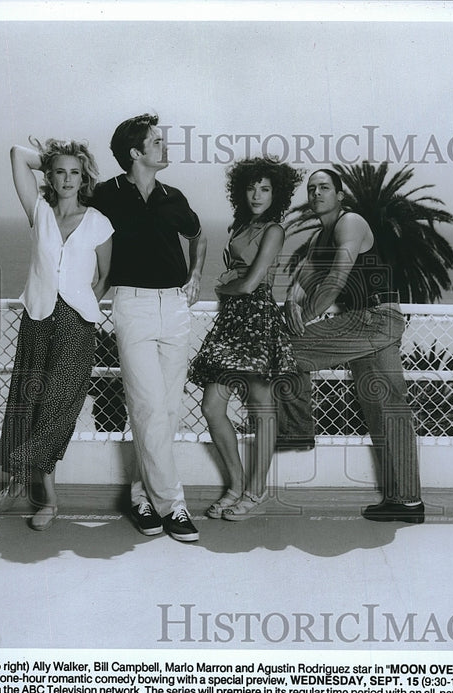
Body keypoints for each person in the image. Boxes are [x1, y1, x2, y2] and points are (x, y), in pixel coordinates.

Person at [279, 168, 425, 524]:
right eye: (311, 189)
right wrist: (291, 303)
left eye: (324, 187)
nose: (316, 193)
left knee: (285, 348)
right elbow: (302, 281)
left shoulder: (351, 223)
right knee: (387, 408)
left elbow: (335, 279)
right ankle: (406, 501)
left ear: (339, 194)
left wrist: (306, 317)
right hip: (371, 324)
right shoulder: (319, 238)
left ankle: (297, 432)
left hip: (374, 319)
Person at [91, 114, 207, 543]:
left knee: (166, 410)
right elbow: (65, 205)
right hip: (132, 306)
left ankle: (141, 497)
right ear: (136, 153)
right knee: (148, 407)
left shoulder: (173, 196)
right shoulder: (106, 195)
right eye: (156, 141)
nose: (165, 146)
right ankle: (173, 505)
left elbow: (199, 236)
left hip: (175, 307)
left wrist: (196, 274)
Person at [0, 138, 114, 530]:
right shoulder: (39, 211)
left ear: (84, 179)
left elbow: (104, 278)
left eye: (74, 172)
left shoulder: (98, 222)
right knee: (26, 400)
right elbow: (16, 154)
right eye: (59, 171)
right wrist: (55, 155)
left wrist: (81, 306)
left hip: (76, 323)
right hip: (37, 316)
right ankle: (18, 482)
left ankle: (46, 497)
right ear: (49, 176)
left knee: (58, 406)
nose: (66, 178)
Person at [189, 157, 303, 520]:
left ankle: (256, 492)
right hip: (232, 321)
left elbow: (252, 283)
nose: (257, 194)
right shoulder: (241, 225)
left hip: (257, 319)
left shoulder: (273, 229)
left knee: (261, 409)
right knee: (212, 407)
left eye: (265, 189)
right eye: (252, 187)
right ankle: (237, 485)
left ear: (277, 194)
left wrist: (224, 287)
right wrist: (228, 290)